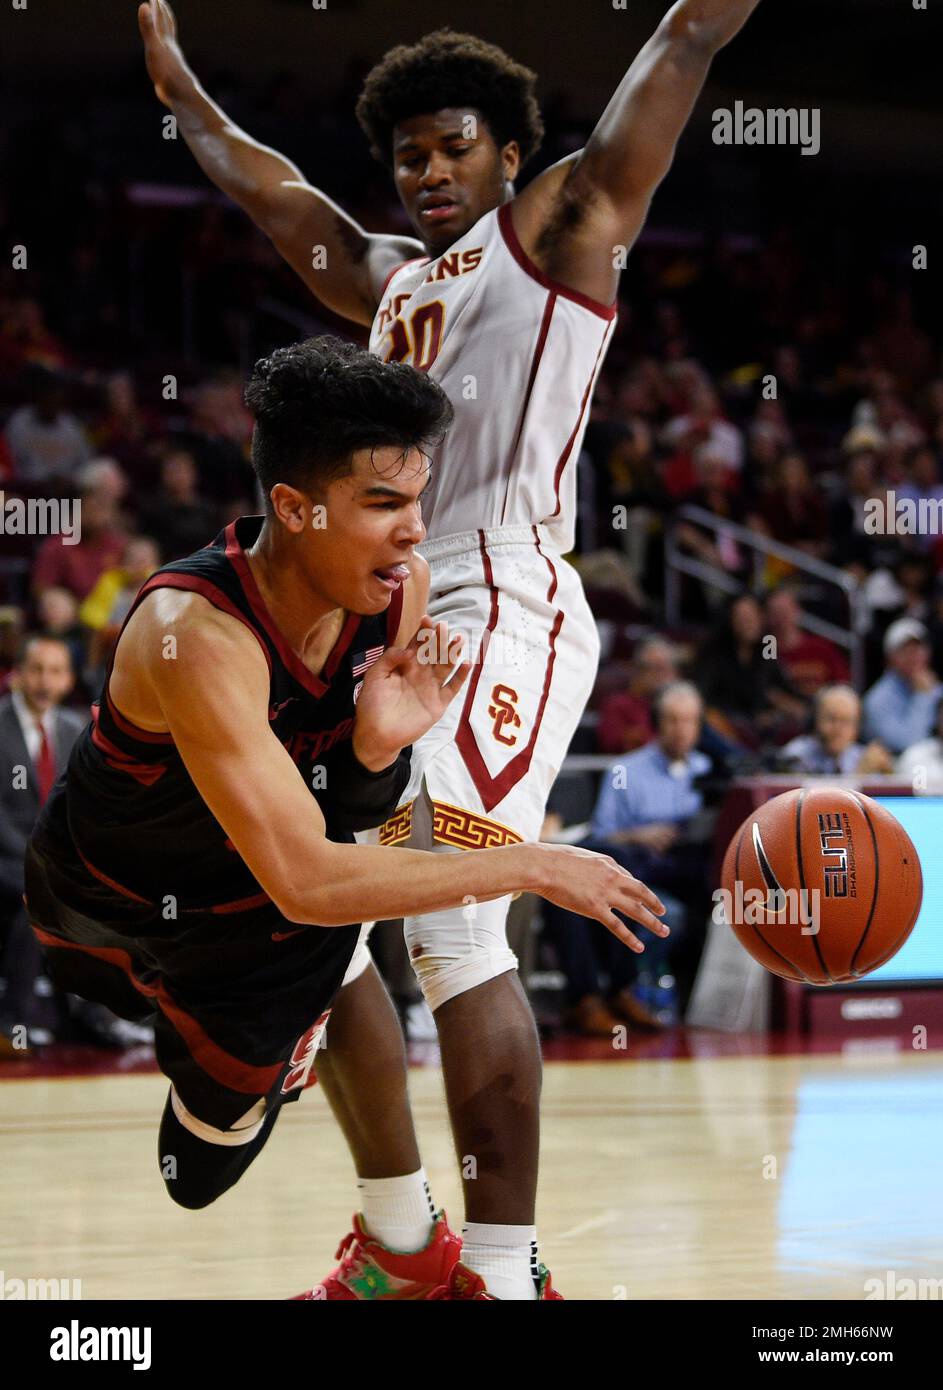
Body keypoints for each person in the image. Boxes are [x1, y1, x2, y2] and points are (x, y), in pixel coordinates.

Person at [139, 0, 758, 1300]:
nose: (426, 169)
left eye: (452, 145)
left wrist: (698, 25)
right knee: (324, 904)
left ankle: (495, 1264)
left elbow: (684, 44)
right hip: (397, 619)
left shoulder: (559, 230)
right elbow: (277, 196)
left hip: (503, 604)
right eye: (408, 153)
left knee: (456, 926)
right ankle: (404, 1240)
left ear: (510, 157)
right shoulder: (390, 282)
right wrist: (185, 96)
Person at [23, 339, 665, 1297]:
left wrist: (372, 756)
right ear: (293, 506)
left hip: (257, 920)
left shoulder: (397, 599)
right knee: (334, 907)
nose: (416, 534)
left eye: (417, 501)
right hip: (110, 902)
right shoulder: (190, 633)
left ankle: (408, 1247)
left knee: (199, 1171)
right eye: (382, 505)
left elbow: (335, 840)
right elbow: (314, 876)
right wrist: (529, 864)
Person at [545, 683, 713, 1034]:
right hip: (636, 868)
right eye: (672, 721)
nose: (681, 729)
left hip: (690, 872)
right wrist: (641, 835)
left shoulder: (710, 770)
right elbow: (601, 835)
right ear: (656, 723)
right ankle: (616, 992)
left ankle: (626, 991)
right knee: (621, 867)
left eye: (688, 721)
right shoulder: (626, 770)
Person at [0, 637, 84, 1055]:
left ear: (68, 680)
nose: (43, 680)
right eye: (35, 669)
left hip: (54, 863)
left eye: (54, 671)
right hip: (7, 860)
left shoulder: (74, 731)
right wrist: (37, 862)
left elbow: (84, 809)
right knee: (37, 897)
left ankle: (93, 1016)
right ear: (16, 674)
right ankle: (11, 1022)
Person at [863, 617, 943, 755]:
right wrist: (922, 696)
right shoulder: (877, 699)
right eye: (906, 651)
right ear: (890, 657)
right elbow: (907, 745)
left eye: (918, 649)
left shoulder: (934, 686)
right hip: (897, 770)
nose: (914, 656)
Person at [778, 685, 893, 776]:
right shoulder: (796, 757)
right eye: (831, 719)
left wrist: (887, 776)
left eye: (846, 721)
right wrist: (860, 776)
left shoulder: (861, 756)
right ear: (815, 720)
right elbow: (814, 803)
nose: (838, 729)